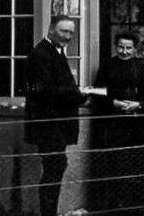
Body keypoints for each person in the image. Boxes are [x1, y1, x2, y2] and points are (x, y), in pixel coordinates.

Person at [24, 15, 89, 216]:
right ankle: (48, 213)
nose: (68, 36)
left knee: (56, 168)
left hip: (56, 126)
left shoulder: (56, 52)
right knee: (54, 168)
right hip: (48, 126)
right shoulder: (41, 54)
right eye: (64, 31)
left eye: (71, 32)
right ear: (51, 29)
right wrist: (80, 96)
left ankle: (49, 212)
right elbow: (46, 91)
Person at [91, 32, 144, 216]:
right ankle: (111, 208)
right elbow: (98, 92)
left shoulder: (141, 67)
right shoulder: (107, 66)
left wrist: (139, 104)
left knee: (132, 164)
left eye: (128, 48)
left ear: (134, 49)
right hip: (111, 124)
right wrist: (113, 103)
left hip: (133, 124)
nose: (124, 51)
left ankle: (131, 207)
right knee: (112, 165)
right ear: (115, 47)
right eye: (121, 47)